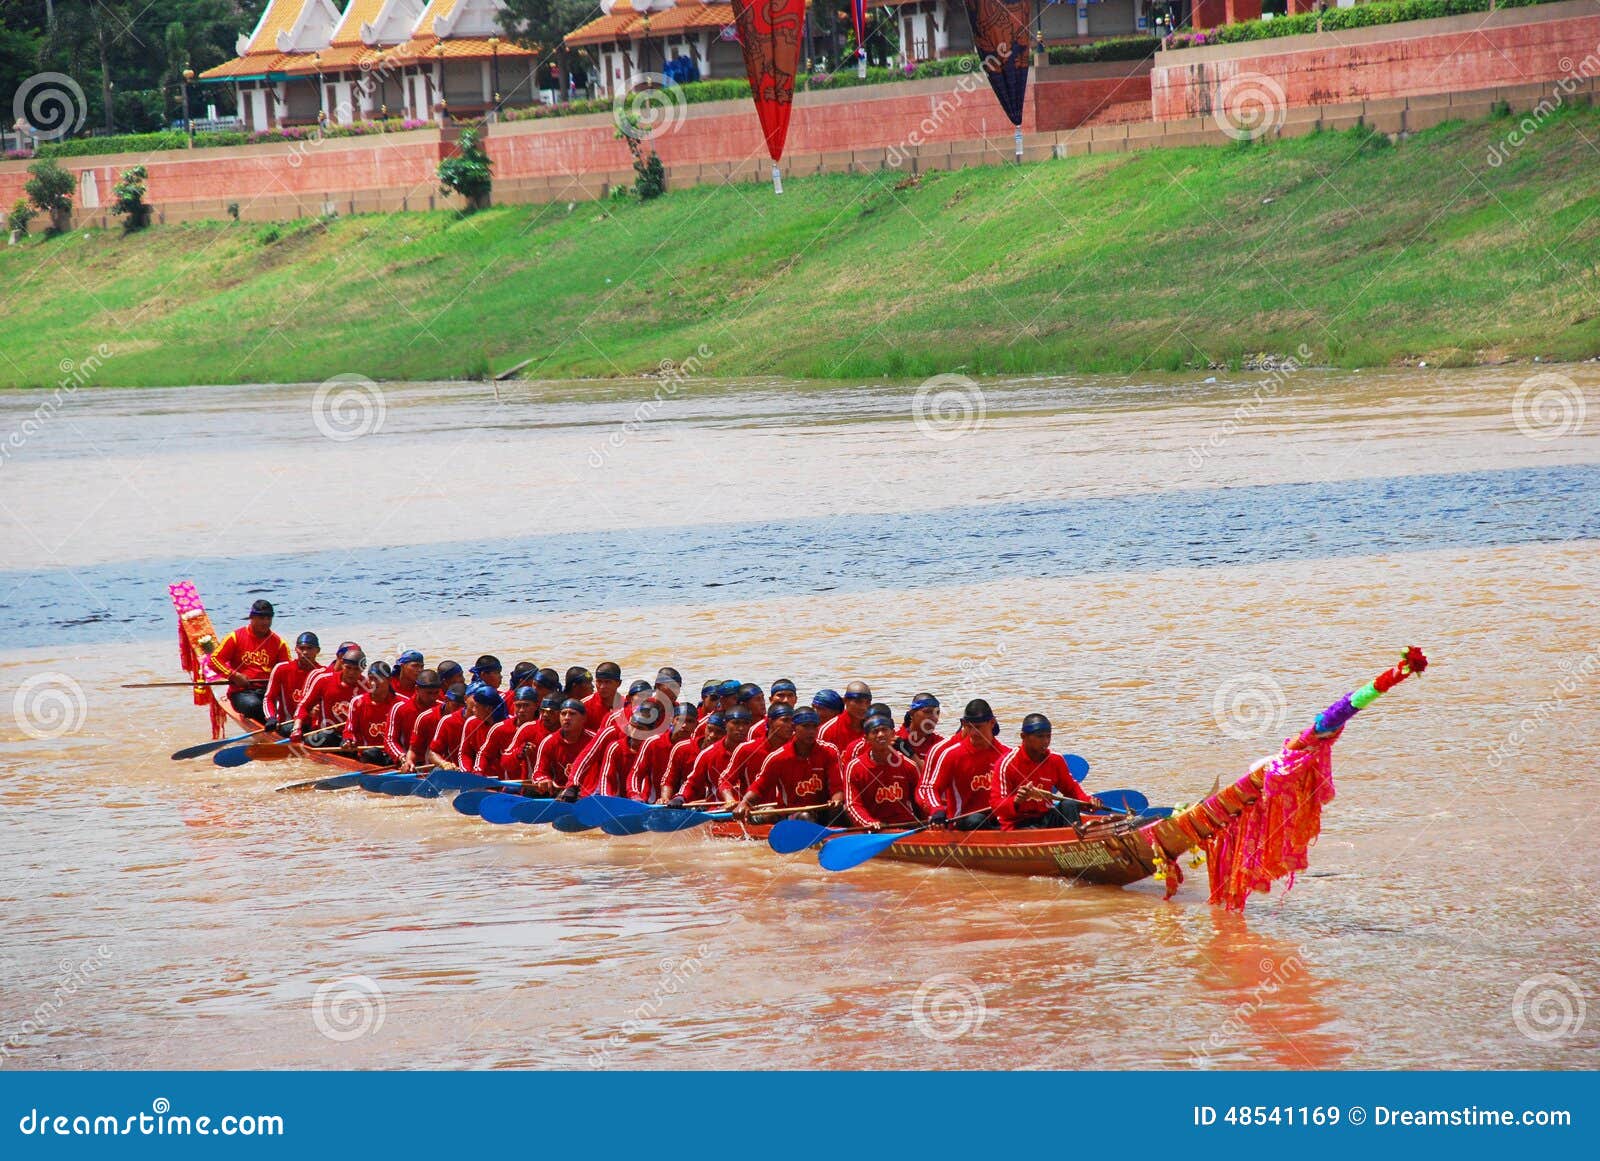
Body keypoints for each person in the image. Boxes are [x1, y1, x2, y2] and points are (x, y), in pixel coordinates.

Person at [993, 714, 1101, 829]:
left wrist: (1089, 802)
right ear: (1023, 736)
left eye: (1048, 736)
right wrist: (1016, 801)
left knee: (1069, 804)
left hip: (1044, 817)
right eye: (1040, 737)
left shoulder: (1056, 760)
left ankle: (1075, 842)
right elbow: (997, 806)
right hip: (1018, 822)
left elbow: (1072, 791)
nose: (1046, 742)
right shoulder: (1008, 763)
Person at [734, 706, 842, 820]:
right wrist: (744, 803)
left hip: (822, 809)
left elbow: (837, 786)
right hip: (792, 813)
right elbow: (759, 787)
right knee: (805, 817)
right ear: (794, 727)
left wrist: (837, 800)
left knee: (843, 810)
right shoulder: (778, 757)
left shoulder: (830, 751)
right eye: (806, 726)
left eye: (814, 726)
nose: (811, 731)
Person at [917, 698, 1009, 829]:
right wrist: (936, 809)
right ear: (963, 724)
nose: (972, 733)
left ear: (992, 723)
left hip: (996, 819)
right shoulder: (951, 754)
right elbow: (927, 788)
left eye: (978, 727)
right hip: (963, 822)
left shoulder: (1006, 754)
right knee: (977, 820)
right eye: (968, 727)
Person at [211, 598, 289, 724]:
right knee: (254, 706)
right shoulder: (235, 637)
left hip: (268, 693)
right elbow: (214, 660)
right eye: (261, 618)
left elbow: (287, 672)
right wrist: (234, 675)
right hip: (243, 692)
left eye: (269, 618)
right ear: (251, 618)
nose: (266, 622)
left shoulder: (279, 643)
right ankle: (271, 723)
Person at [842, 713, 923, 830]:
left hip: (905, 826)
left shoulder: (909, 766)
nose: (880, 735)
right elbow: (853, 805)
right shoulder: (854, 768)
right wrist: (869, 823)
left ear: (893, 734)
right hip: (874, 828)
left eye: (884, 730)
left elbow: (919, 800)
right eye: (875, 732)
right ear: (866, 739)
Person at [292, 644, 367, 746]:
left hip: (352, 736)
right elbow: (303, 706)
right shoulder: (324, 680)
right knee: (325, 737)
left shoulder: (367, 687)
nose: (351, 673)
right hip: (328, 734)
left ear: (363, 669)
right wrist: (297, 728)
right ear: (342, 664)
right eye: (348, 668)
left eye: (356, 669)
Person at [720, 703, 794, 806]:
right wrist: (730, 801)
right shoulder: (746, 749)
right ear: (770, 721)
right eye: (785, 720)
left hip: (788, 810)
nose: (791, 725)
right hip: (755, 811)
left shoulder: (798, 749)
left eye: (793, 721)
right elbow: (725, 781)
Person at [677, 709, 750, 804]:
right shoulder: (707, 754)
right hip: (719, 812)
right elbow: (692, 784)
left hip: (751, 811)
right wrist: (680, 798)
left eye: (745, 724)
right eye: (736, 723)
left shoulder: (756, 750)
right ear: (727, 725)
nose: (741, 728)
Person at [632, 702, 697, 801]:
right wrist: (635, 795)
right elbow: (636, 773)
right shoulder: (653, 742)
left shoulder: (697, 750)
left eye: (690, 721)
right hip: (650, 802)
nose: (684, 725)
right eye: (680, 720)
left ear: (696, 725)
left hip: (682, 805)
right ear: (672, 720)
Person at [344, 660, 403, 765]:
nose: (373, 683)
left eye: (378, 679)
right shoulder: (357, 702)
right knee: (372, 753)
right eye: (371, 678)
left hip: (396, 754)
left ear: (389, 680)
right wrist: (349, 740)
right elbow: (349, 730)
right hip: (370, 754)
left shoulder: (402, 703)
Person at [532, 700, 595, 796]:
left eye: (572, 714)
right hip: (558, 792)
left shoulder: (595, 740)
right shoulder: (549, 741)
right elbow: (539, 771)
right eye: (563, 713)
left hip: (589, 794)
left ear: (584, 718)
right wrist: (543, 779)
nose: (566, 718)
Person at [263, 631, 322, 732]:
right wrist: (271, 718)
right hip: (288, 723)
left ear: (318, 651)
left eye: (309, 648)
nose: (305, 652)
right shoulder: (281, 668)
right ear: (296, 649)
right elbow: (269, 698)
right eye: (302, 648)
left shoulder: (322, 673)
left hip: (313, 725)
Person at [389, 668, 442, 771]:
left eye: (436, 693)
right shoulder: (400, 708)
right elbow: (390, 740)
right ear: (417, 689)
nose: (433, 698)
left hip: (432, 762)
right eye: (429, 693)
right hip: (407, 760)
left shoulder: (443, 709)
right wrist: (403, 758)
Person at [500, 694, 561, 782]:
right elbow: (505, 763)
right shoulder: (528, 729)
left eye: (550, 712)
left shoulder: (571, 731)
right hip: (533, 786)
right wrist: (519, 753)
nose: (545, 715)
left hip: (563, 787)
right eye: (542, 711)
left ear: (561, 713)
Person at [456, 684, 505, 772]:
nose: (473, 710)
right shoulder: (471, 722)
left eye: (476, 706)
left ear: (488, 708)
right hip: (480, 775)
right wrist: (466, 771)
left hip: (506, 780)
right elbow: (464, 753)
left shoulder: (507, 725)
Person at [819, 681, 871, 752]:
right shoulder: (828, 730)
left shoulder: (873, 728)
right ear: (845, 701)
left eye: (867, 702)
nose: (864, 707)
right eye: (858, 702)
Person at [426, 686, 470, 768]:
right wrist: (443, 763)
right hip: (451, 770)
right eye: (456, 705)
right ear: (446, 700)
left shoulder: (481, 719)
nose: (460, 710)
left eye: (464, 707)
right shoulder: (446, 721)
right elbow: (432, 753)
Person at [897, 693, 944, 766]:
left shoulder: (940, 744)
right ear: (912, 714)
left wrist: (909, 753)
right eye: (927, 712)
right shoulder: (893, 739)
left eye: (937, 713)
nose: (934, 717)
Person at [584, 661, 623, 725]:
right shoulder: (584, 706)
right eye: (599, 681)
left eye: (607, 682)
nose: (602, 687)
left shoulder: (627, 705)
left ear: (619, 683)